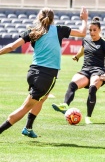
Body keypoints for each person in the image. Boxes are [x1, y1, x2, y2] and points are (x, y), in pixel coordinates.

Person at [0, 7, 88, 138]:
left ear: (38, 18)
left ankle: (28, 128)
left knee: (42, 98)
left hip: (33, 72)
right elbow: (82, 33)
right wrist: (85, 20)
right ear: (53, 19)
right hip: (46, 76)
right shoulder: (59, 29)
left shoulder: (32, 31)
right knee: (25, 107)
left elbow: (12, 46)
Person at [52, 16, 105, 124]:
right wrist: (77, 56)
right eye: (90, 30)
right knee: (72, 84)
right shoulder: (85, 40)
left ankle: (88, 117)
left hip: (98, 71)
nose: (92, 32)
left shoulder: (104, 43)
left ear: (100, 30)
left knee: (92, 89)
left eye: (94, 30)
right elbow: (83, 51)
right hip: (86, 70)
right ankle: (65, 105)